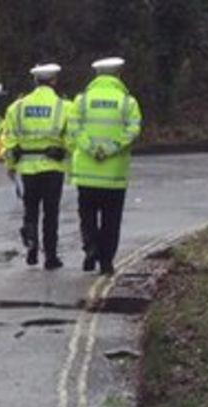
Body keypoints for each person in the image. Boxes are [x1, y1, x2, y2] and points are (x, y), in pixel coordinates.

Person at [68, 57, 143, 275]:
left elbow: (74, 130)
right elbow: (133, 130)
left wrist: (91, 148)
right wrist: (110, 148)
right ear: (118, 75)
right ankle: (106, 261)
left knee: (87, 214)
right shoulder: (127, 102)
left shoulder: (81, 101)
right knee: (111, 218)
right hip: (114, 173)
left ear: (96, 76)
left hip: (86, 172)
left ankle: (91, 246)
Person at [2, 63, 71, 270]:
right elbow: (72, 138)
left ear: (35, 81)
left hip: (27, 167)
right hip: (53, 166)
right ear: (54, 81)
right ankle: (51, 257)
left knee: (30, 209)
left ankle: (32, 247)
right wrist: (66, 154)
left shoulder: (17, 107)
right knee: (51, 213)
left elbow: (9, 139)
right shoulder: (64, 107)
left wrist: (10, 165)